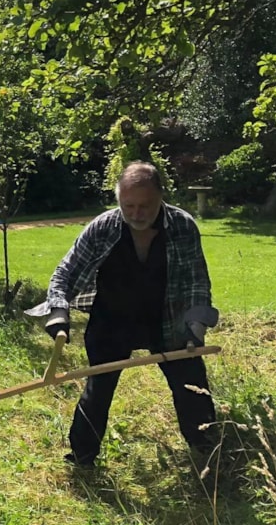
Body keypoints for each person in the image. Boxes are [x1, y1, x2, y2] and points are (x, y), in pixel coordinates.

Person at [27, 161, 219, 467]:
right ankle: (81, 458)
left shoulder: (182, 226)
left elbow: (197, 280)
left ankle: (210, 454)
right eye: (128, 205)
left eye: (146, 205)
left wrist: (195, 326)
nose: (137, 213)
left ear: (161, 198)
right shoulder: (103, 227)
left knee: (191, 386)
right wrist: (58, 311)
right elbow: (65, 273)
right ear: (118, 199)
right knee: (98, 390)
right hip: (112, 321)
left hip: (167, 320)